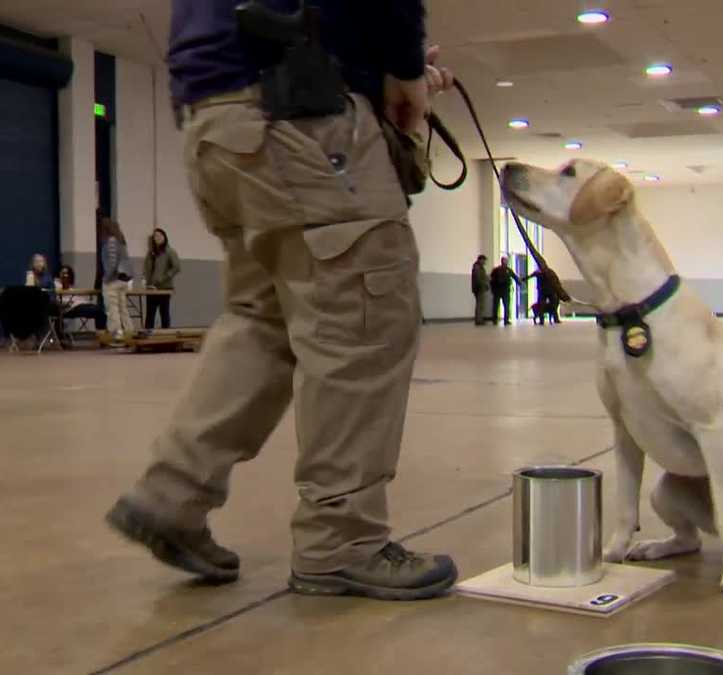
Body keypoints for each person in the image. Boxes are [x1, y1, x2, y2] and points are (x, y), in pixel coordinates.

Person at [105, 0, 459, 601]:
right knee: (364, 322)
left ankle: (172, 495)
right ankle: (341, 540)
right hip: (301, 113)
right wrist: (401, 73)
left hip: (216, 122)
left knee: (261, 319)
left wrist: (376, 68)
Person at [99, 219, 135, 343]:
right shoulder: (120, 240)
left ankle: (117, 333)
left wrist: (106, 279)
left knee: (112, 308)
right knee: (122, 307)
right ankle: (129, 331)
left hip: (113, 280)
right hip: (123, 280)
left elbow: (112, 263)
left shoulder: (111, 242)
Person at [143, 228, 181, 330]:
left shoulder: (170, 251)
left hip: (164, 288)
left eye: (160, 235)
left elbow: (176, 267)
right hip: (151, 288)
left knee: (164, 313)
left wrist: (164, 277)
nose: (157, 238)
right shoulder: (151, 253)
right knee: (150, 314)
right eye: (155, 236)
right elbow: (146, 267)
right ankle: (148, 333)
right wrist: (145, 279)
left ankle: (166, 333)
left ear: (164, 237)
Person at [489, 256, 522, 326]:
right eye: (505, 261)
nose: (506, 262)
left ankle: (504, 320)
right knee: (497, 305)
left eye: (506, 261)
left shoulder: (508, 270)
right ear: (502, 261)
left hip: (504, 291)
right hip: (499, 290)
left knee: (505, 306)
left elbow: (514, 277)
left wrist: (519, 282)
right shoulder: (497, 270)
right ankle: (496, 319)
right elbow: (492, 280)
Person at [471, 254, 490, 325]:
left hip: (479, 288)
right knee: (480, 304)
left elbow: (483, 277)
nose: (485, 262)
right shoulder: (477, 267)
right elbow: (478, 278)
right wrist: (484, 284)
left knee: (480, 304)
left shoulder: (479, 267)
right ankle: (479, 320)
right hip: (479, 288)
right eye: (484, 260)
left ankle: (479, 319)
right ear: (481, 260)